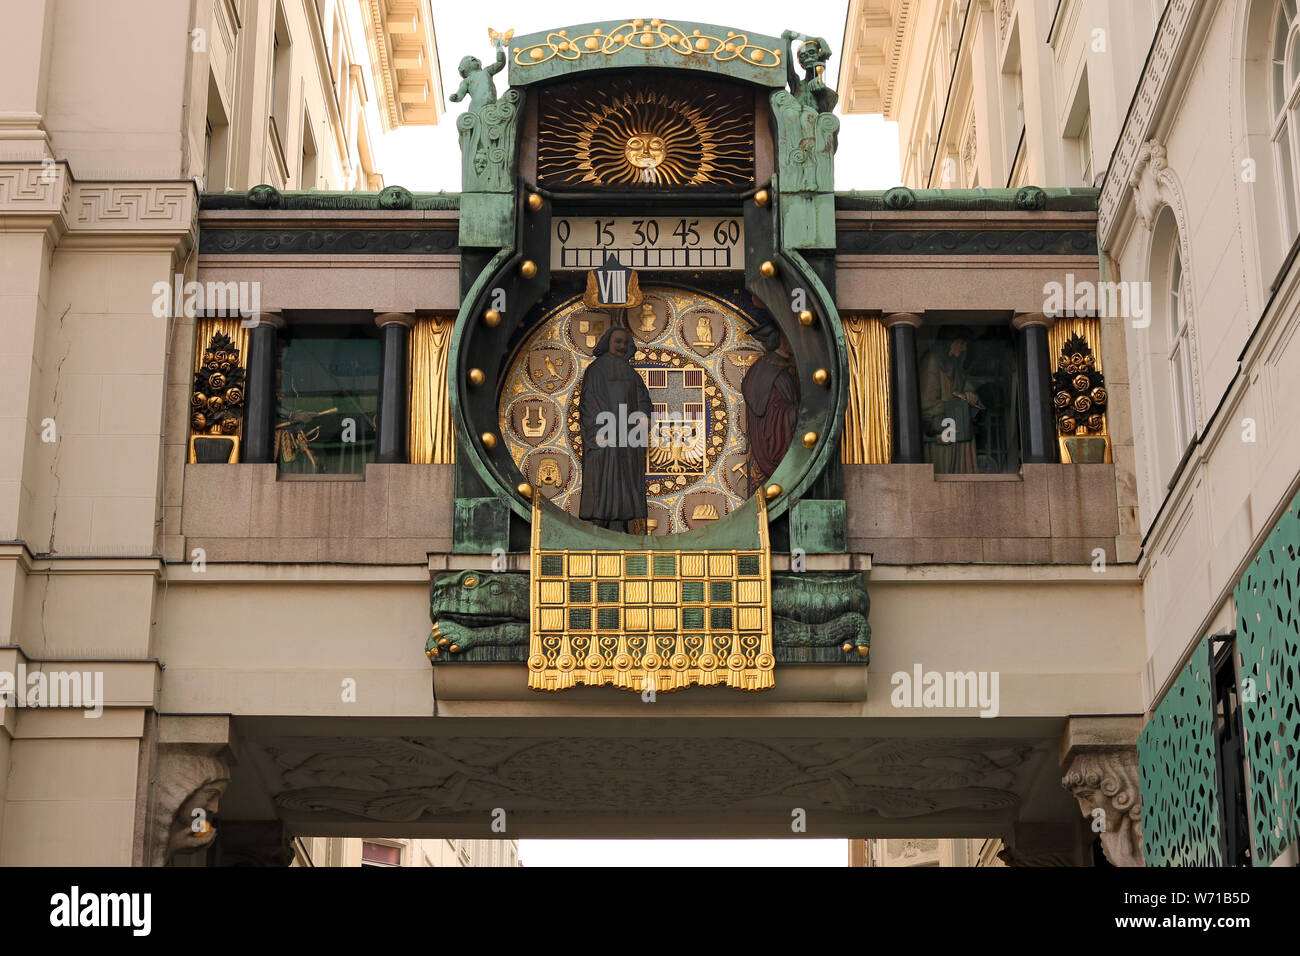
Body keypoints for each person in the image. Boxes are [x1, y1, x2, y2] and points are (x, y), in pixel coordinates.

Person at [578, 327, 653, 532]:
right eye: (618, 342)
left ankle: (621, 524)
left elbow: (642, 399)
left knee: (626, 481)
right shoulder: (595, 370)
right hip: (605, 434)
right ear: (607, 343)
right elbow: (588, 402)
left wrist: (644, 417)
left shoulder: (631, 373)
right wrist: (599, 429)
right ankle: (599, 526)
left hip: (627, 437)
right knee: (603, 480)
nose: (622, 346)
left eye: (625, 343)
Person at [742, 324, 800, 496]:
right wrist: (797, 413)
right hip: (772, 449)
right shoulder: (766, 370)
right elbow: (771, 415)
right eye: (787, 336)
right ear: (779, 339)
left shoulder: (782, 367)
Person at [919, 327, 983, 474]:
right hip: (942, 433)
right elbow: (928, 403)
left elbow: (969, 390)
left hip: (959, 432)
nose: (964, 348)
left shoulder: (955, 365)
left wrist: (972, 396)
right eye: (961, 343)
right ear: (948, 342)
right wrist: (949, 418)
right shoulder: (932, 361)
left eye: (965, 344)